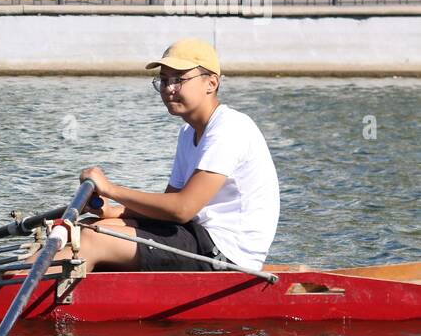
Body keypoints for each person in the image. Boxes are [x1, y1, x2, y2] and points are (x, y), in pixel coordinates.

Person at [64, 38, 280, 273]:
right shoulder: (188, 132)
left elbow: (182, 209)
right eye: (164, 80)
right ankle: (31, 283)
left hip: (228, 255)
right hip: (198, 235)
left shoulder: (230, 128)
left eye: (179, 80)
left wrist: (111, 189)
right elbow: (168, 207)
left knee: (92, 240)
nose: (169, 89)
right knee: (88, 228)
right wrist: (112, 211)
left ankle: (25, 297)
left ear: (211, 83)